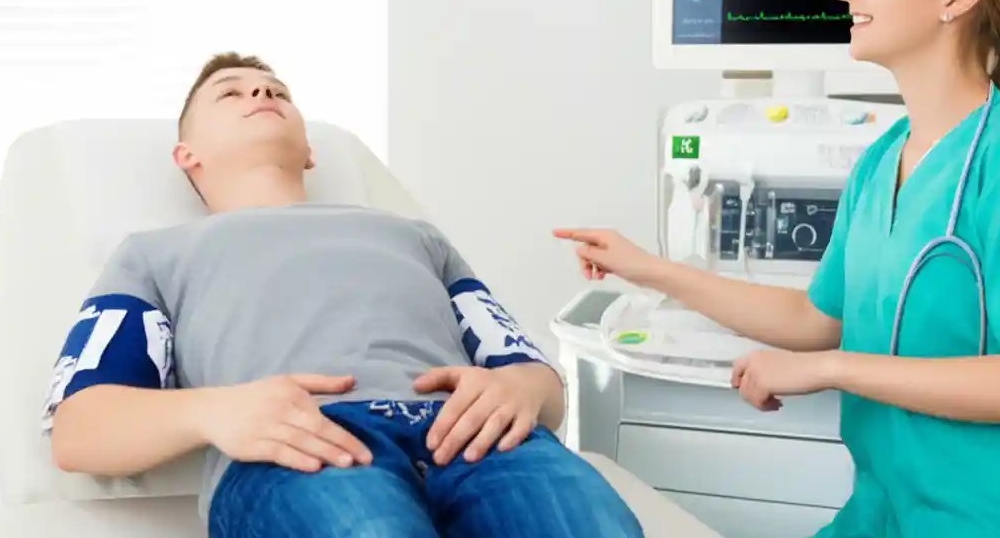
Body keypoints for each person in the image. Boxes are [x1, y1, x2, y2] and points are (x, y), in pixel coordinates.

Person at [556, 0, 1000, 537]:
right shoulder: (884, 160)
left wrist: (825, 371)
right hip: (889, 515)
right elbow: (814, 316)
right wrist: (646, 268)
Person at [43, 52, 644, 538]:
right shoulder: (155, 253)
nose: (261, 95)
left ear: (309, 151)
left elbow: (539, 385)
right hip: (303, 444)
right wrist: (216, 410)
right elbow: (80, 429)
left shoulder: (413, 237)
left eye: (276, 90)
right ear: (187, 156)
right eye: (232, 92)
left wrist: (522, 386)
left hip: (476, 436)